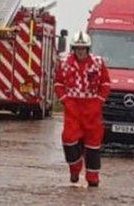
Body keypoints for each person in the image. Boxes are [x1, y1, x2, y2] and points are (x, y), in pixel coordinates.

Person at [54, 30, 111, 187]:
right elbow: (58, 83)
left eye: (83, 48)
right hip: (73, 107)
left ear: (88, 49)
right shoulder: (65, 63)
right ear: (73, 49)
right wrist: (64, 99)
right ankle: (75, 168)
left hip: (92, 107)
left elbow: (105, 84)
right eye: (78, 49)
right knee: (69, 139)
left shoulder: (98, 63)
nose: (80, 52)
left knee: (93, 144)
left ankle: (92, 177)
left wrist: (99, 100)